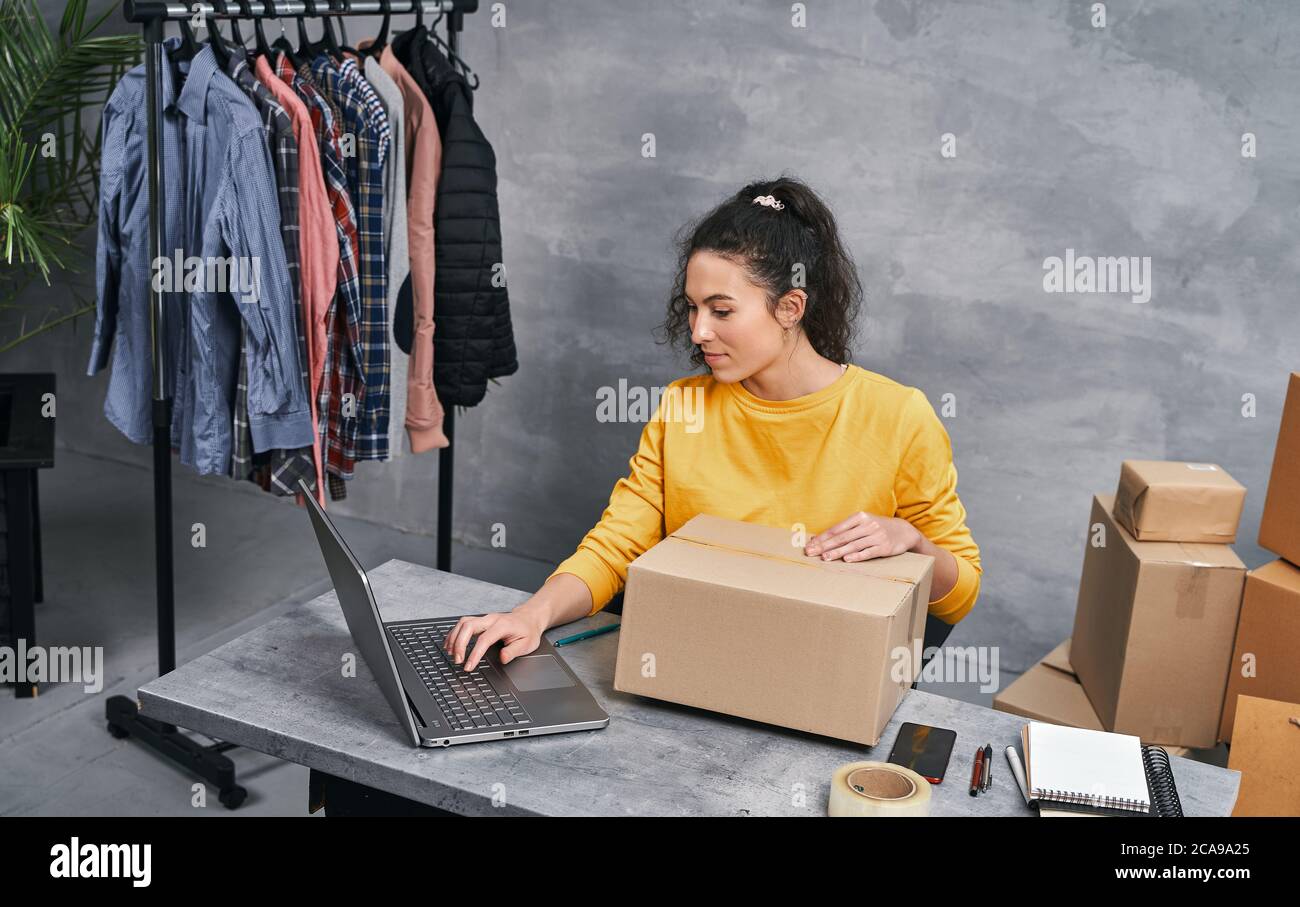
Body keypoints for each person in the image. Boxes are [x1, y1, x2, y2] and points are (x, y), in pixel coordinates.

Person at [443, 176, 981, 682]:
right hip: (691, 673)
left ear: (791, 306)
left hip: (823, 683)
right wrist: (531, 615)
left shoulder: (898, 416)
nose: (699, 331)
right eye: (694, 307)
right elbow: (616, 547)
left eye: (721, 310)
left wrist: (912, 543)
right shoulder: (683, 406)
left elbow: (959, 593)